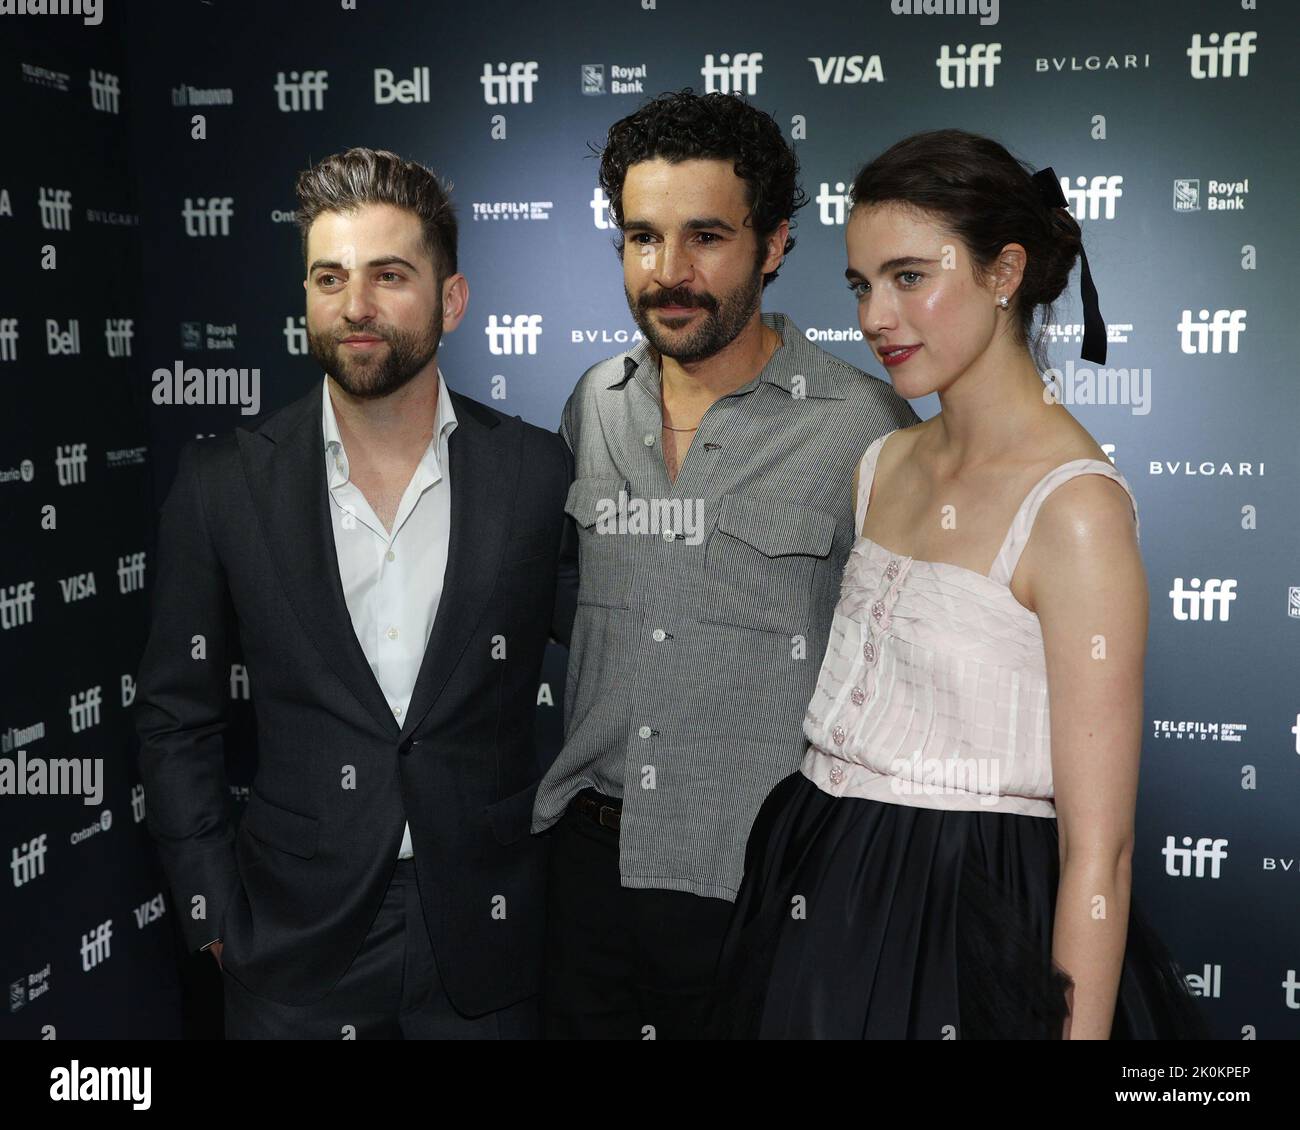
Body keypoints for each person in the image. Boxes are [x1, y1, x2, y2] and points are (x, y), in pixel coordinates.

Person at [707, 129, 1208, 1039]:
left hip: (962, 920)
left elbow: (1102, 854)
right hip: (810, 877)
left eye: (909, 277)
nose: (872, 318)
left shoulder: (1076, 508)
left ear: (1004, 271)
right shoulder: (883, 460)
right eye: (862, 284)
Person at [135, 147, 575, 1039]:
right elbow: (174, 717)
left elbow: (610, 656)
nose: (356, 306)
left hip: (486, 937)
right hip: (290, 941)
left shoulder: (533, 469)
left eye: (389, 275)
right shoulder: (223, 484)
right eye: (328, 278)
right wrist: (213, 916)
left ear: (451, 299)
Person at [532, 90, 918, 1039]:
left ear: (775, 243)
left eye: (705, 235)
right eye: (642, 237)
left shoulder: (863, 429)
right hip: (583, 880)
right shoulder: (594, 404)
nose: (669, 272)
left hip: (759, 882)